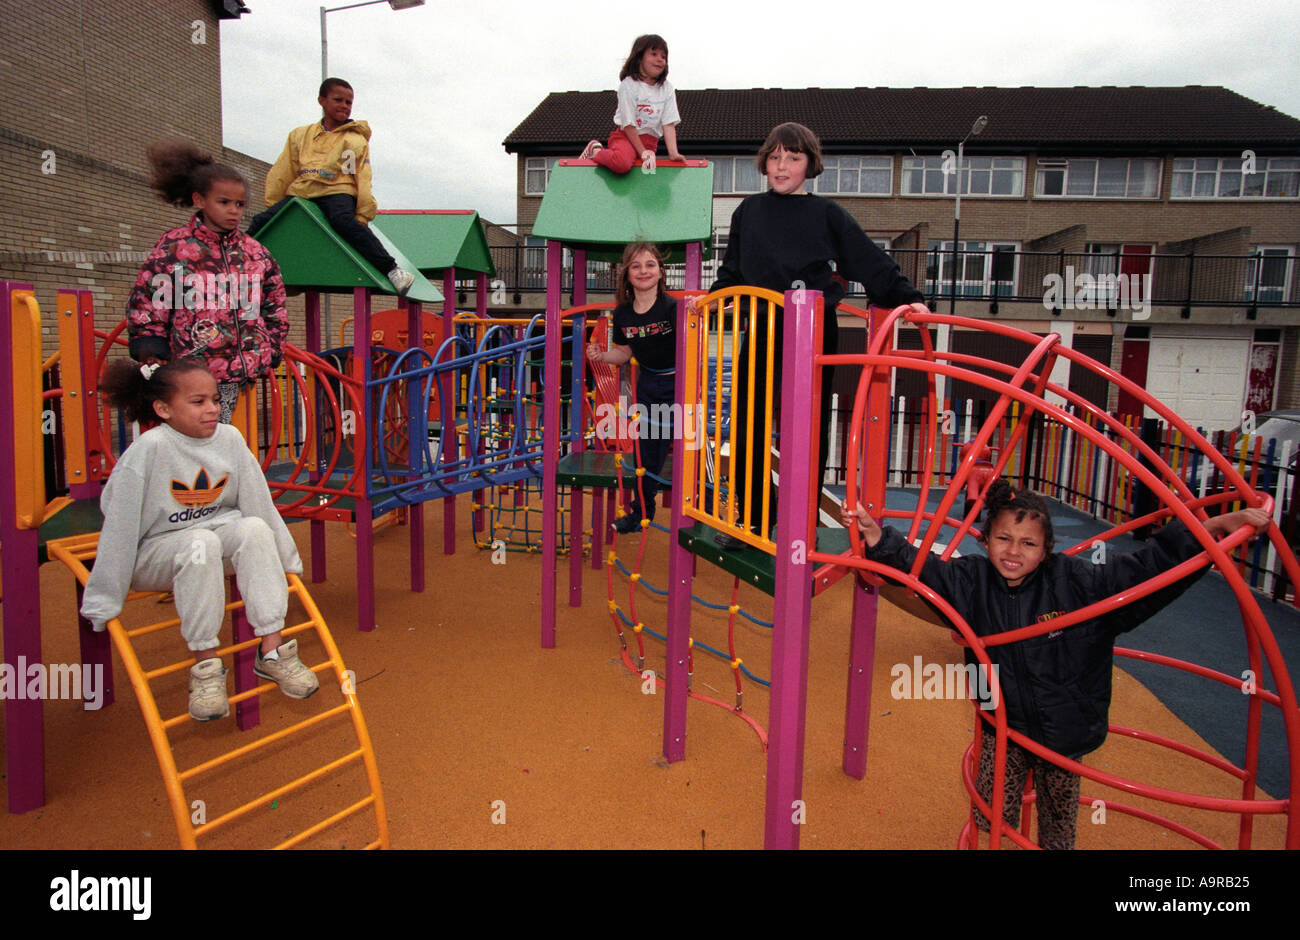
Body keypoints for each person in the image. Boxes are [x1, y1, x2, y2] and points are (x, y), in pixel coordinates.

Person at [841, 480, 1271, 849]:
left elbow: (1145, 573)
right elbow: (921, 571)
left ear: (1047, 549)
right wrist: (877, 537)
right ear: (984, 538)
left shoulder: (1077, 585)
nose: (1013, 552)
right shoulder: (971, 581)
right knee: (992, 812)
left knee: (1057, 828)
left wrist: (1208, 532)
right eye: (1003, 539)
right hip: (1003, 727)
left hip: (1063, 733)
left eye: (1028, 543)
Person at [710, 121, 927, 548]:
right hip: (764, 327)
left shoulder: (826, 214)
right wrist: (719, 300)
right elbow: (732, 271)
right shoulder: (748, 211)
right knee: (749, 426)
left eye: (793, 157)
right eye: (774, 157)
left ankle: (798, 522)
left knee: (806, 431)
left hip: (812, 333)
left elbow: (867, 260)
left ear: (809, 163)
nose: (782, 165)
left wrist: (907, 296)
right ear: (764, 163)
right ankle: (754, 520)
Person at [81, 359, 319, 722]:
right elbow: (120, 528)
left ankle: (272, 652)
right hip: (156, 552)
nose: (212, 409)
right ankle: (206, 668)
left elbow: (259, 503)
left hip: (211, 539)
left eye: (214, 399)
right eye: (198, 401)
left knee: (253, 528)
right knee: (200, 544)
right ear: (163, 409)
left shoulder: (230, 439)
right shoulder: (149, 450)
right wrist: (103, 599)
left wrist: (286, 560)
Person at [127, 140, 291, 425]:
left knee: (220, 436)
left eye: (240, 204)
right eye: (224, 202)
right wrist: (150, 349)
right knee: (192, 436)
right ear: (200, 200)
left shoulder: (254, 252)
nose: (234, 211)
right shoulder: (175, 248)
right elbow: (150, 300)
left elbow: (274, 303)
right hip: (190, 372)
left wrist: (272, 347)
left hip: (238, 370)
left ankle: (218, 470)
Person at [247, 78, 414, 297]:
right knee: (262, 220)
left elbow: (361, 176)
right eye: (338, 100)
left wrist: (363, 211)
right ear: (322, 101)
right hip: (303, 192)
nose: (344, 105)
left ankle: (392, 270)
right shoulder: (300, 135)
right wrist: (275, 203)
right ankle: (232, 258)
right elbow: (284, 169)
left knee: (343, 222)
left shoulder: (353, 140)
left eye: (349, 102)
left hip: (337, 191)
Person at [588, 242, 677, 534]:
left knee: (687, 445)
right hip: (650, 382)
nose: (643, 271)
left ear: (661, 272)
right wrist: (603, 356)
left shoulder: (673, 308)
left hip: (679, 382)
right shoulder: (624, 314)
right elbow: (625, 353)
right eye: (636, 266)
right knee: (645, 452)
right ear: (627, 274)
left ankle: (696, 508)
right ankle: (641, 513)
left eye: (650, 265)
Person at [580, 34, 683, 174]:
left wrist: (673, 153)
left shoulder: (666, 88)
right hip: (626, 137)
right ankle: (596, 152)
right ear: (640, 57)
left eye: (663, 56)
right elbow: (628, 124)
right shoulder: (629, 85)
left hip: (650, 142)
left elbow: (668, 124)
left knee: (645, 175)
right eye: (654, 54)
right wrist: (642, 152)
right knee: (621, 164)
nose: (660, 59)